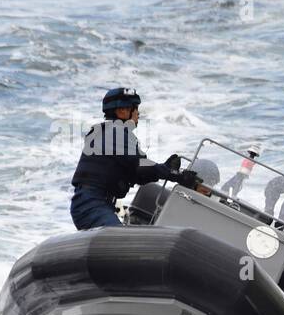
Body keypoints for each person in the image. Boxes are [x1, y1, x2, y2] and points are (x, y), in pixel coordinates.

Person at [70, 88, 197, 230]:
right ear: (122, 111)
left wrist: (166, 168)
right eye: (135, 108)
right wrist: (176, 175)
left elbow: (138, 174)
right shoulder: (115, 133)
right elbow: (141, 166)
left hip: (95, 203)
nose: (138, 113)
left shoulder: (110, 133)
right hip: (92, 204)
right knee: (119, 241)